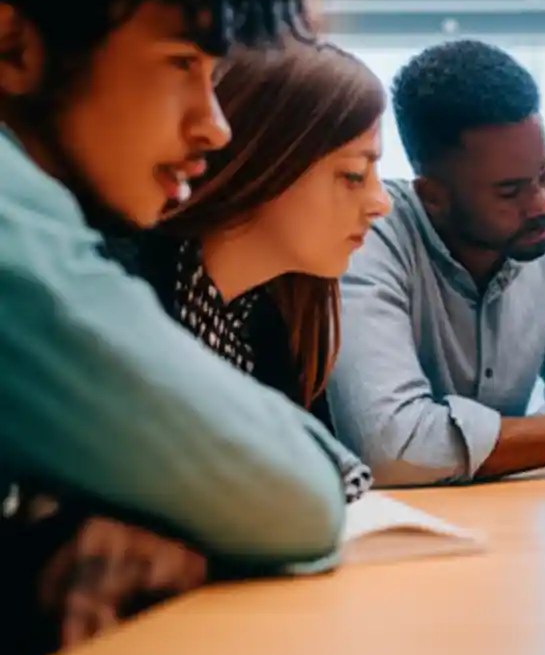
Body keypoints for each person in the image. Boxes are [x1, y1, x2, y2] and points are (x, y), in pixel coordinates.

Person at [0, 0, 347, 655]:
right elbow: (295, 491)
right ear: (13, 48)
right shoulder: (14, 222)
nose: (215, 126)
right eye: (180, 63)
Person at [328, 40, 545, 486]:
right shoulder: (366, 242)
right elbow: (389, 447)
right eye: (510, 191)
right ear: (433, 197)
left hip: (507, 519)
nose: (541, 204)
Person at [107, 41, 391, 502]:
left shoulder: (276, 318)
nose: (382, 202)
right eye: (355, 175)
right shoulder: (121, 284)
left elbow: (322, 477)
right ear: (267, 163)